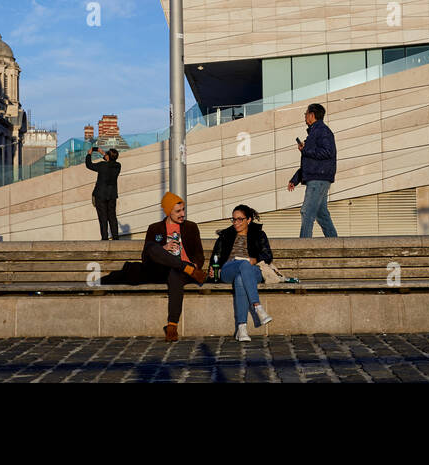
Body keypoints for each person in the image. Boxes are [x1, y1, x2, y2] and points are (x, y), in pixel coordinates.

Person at [142, 192, 207, 342]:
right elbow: (146, 256)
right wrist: (163, 248)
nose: (182, 214)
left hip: (184, 272)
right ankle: (186, 268)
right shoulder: (154, 228)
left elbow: (199, 254)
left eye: (183, 210)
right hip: (161, 269)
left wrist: (195, 265)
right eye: (178, 211)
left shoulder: (190, 227)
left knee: (175, 273)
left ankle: (172, 326)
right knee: (152, 247)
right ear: (168, 211)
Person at [208, 205, 274, 342]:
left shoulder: (258, 234)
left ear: (248, 220)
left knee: (240, 278)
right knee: (243, 265)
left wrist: (255, 259)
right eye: (234, 219)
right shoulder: (226, 235)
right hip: (228, 269)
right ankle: (258, 307)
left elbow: (267, 255)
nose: (236, 223)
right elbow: (216, 257)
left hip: (252, 270)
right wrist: (212, 269)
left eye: (240, 219)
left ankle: (241, 328)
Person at [286, 102, 338, 238]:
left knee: (307, 211)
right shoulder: (316, 132)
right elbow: (310, 162)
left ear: (312, 115)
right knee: (321, 214)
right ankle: (334, 243)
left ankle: (304, 245)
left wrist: (306, 149)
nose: (304, 117)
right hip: (317, 177)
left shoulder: (322, 131)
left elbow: (328, 152)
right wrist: (295, 179)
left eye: (306, 114)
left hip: (318, 179)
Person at [85, 146, 121, 241]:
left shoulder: (102, 165)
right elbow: (111, 162)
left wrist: (89, 154)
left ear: (108, 157)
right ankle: (115, 238)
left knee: (103, 218)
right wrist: (103, 153)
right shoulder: (118, 166)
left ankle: (104, 238)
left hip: (100, 195)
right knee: (112, 217)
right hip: (112, 195)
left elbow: (89, 165)